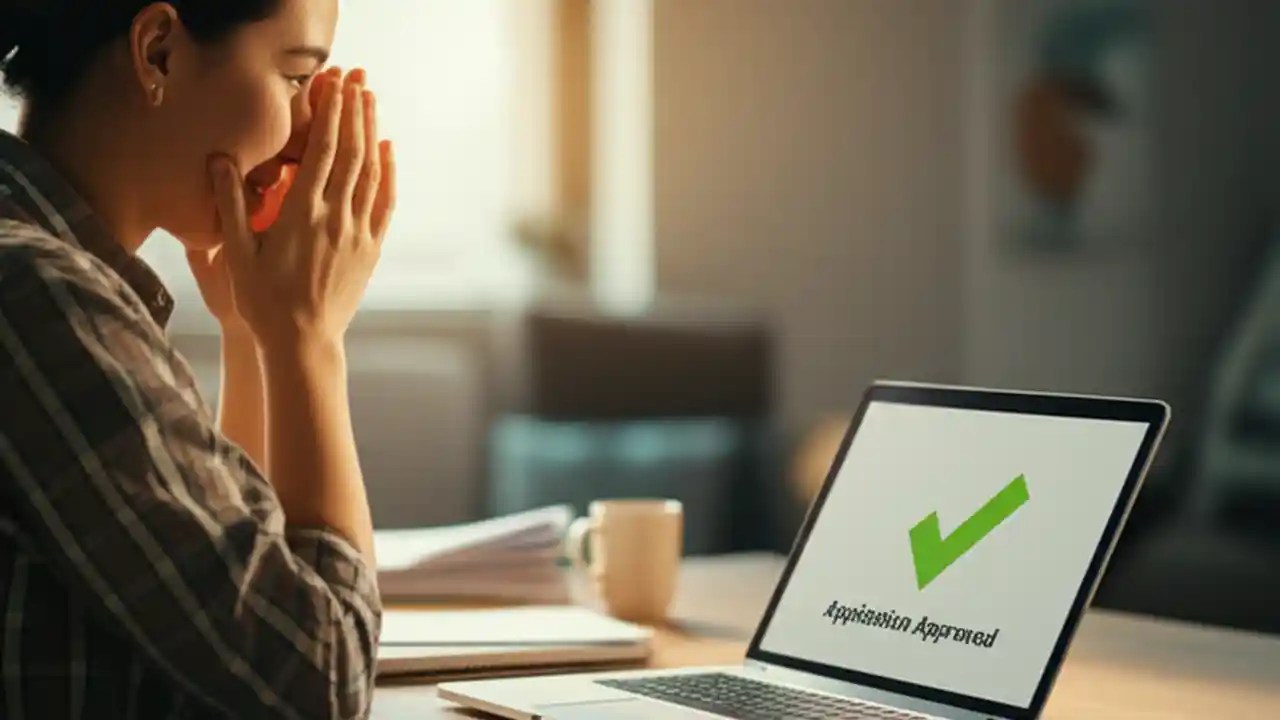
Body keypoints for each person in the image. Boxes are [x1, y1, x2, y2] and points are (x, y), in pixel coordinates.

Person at [0, 0, 396, 717]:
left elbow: (235, 596)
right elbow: (321, 683)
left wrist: (249, 332)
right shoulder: (39, 294)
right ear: (158, 52)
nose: (305, 129)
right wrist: (309, 339)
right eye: (294, 77)